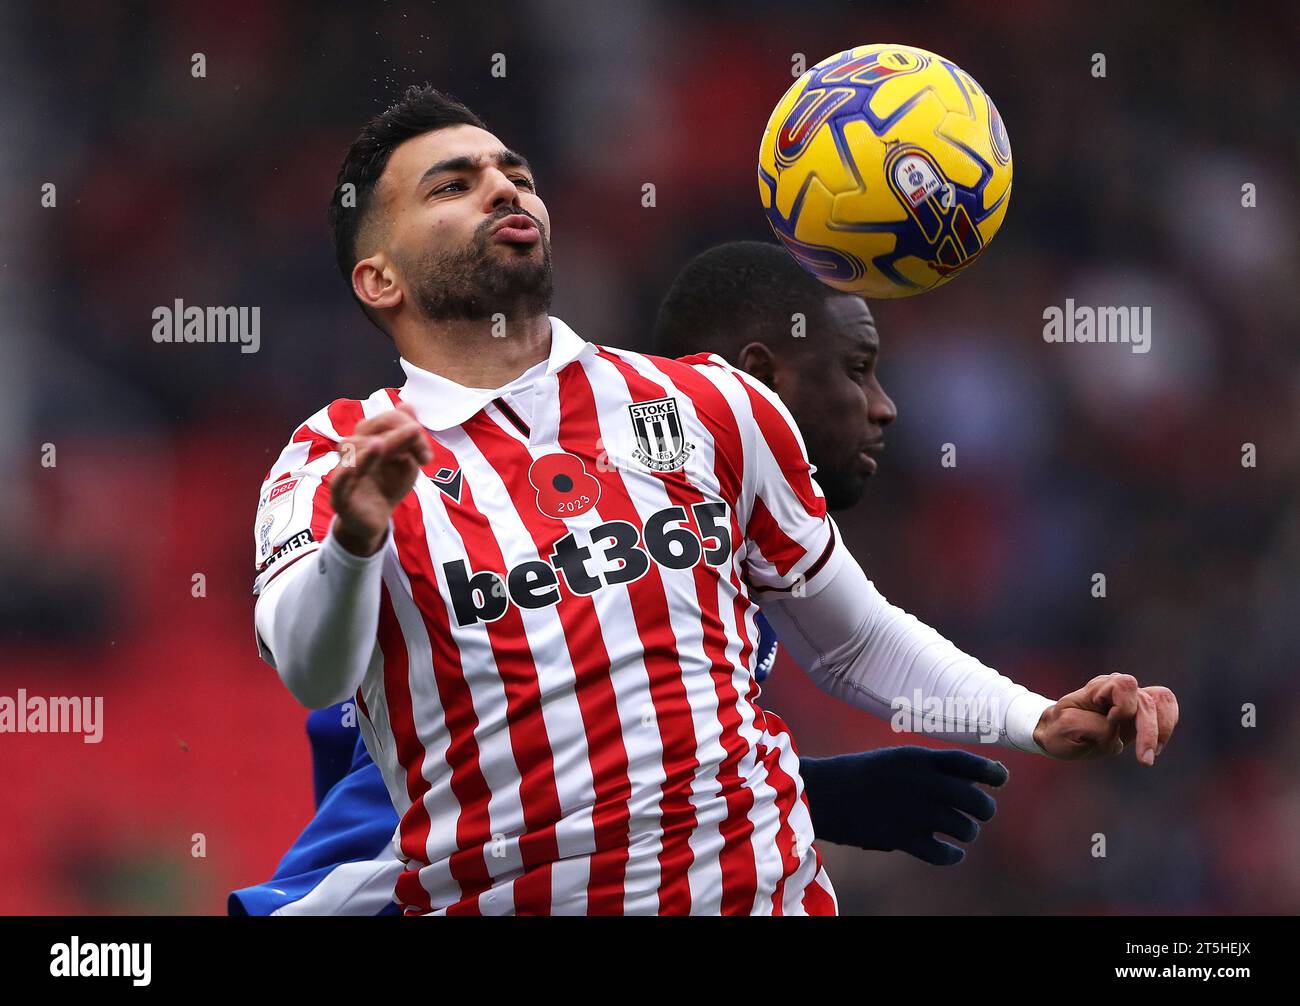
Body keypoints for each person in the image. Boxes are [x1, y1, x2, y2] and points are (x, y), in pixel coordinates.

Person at [236, 85, 1178, 916]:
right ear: (379, 278)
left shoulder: (711, 403)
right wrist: (357, 538)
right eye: (452, 185)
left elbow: (850, 637)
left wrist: (1034, 718)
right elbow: (315, 677)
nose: (503, 188)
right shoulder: (334, 455)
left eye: (513, 170)